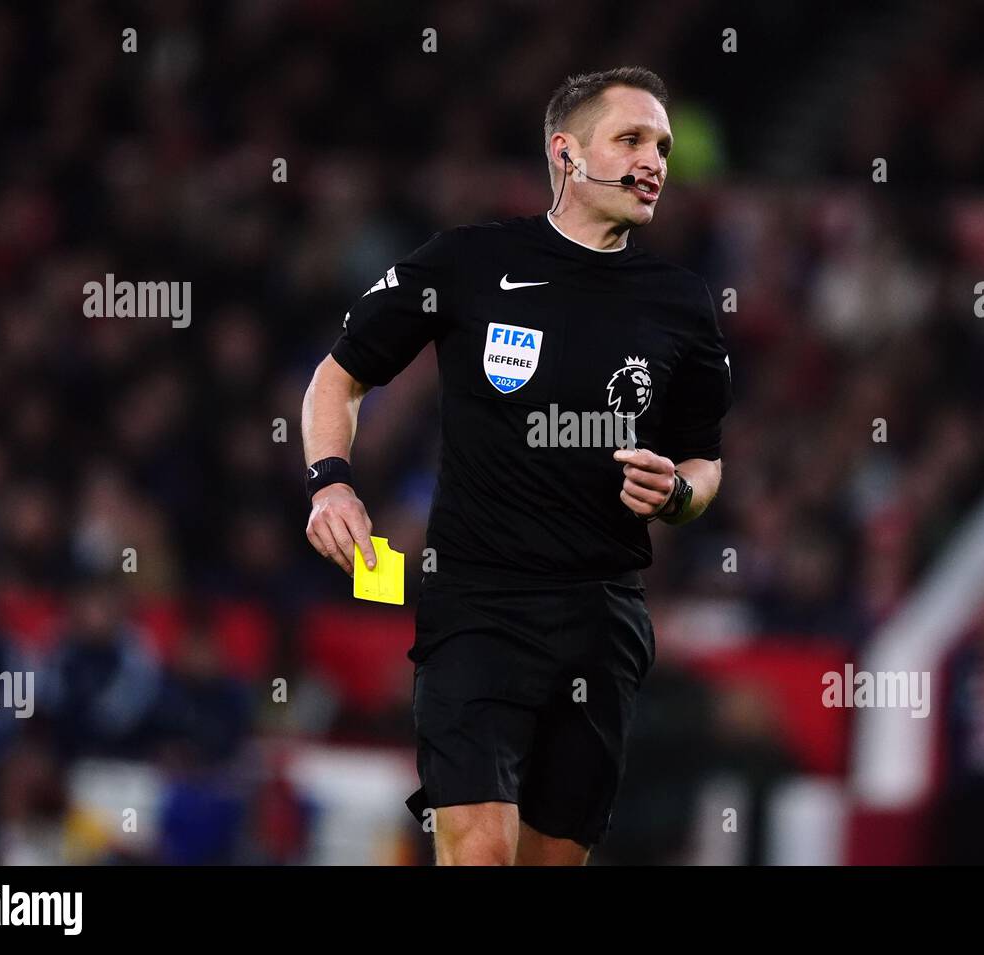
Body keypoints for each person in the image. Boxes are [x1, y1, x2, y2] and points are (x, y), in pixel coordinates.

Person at [300, 66, 732, 865]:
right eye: (632, 139)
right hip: (477, 606)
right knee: (479, 852)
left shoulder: (682, 303)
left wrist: (677, 492)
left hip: (601, 619)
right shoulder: (469, 263)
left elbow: (705, 463)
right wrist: (330, 480)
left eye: (664, 146)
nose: (655, 162)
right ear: (566, 154)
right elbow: (341, 373)